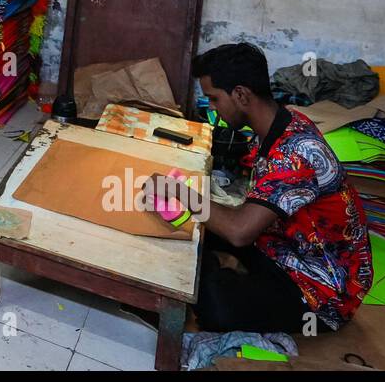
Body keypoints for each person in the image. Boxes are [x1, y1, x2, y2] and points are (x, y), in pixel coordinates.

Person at [145, 43, 372, 334]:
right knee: (194, 232)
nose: (212, 109)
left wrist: (177, 191)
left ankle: (221, 273)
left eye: (214, 100)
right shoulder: (276, 126)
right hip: (281, 247)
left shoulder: (297, 153)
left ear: (240, 94)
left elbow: (240, 232)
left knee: (216, 303)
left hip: (320, 289)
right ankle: (220, 268)